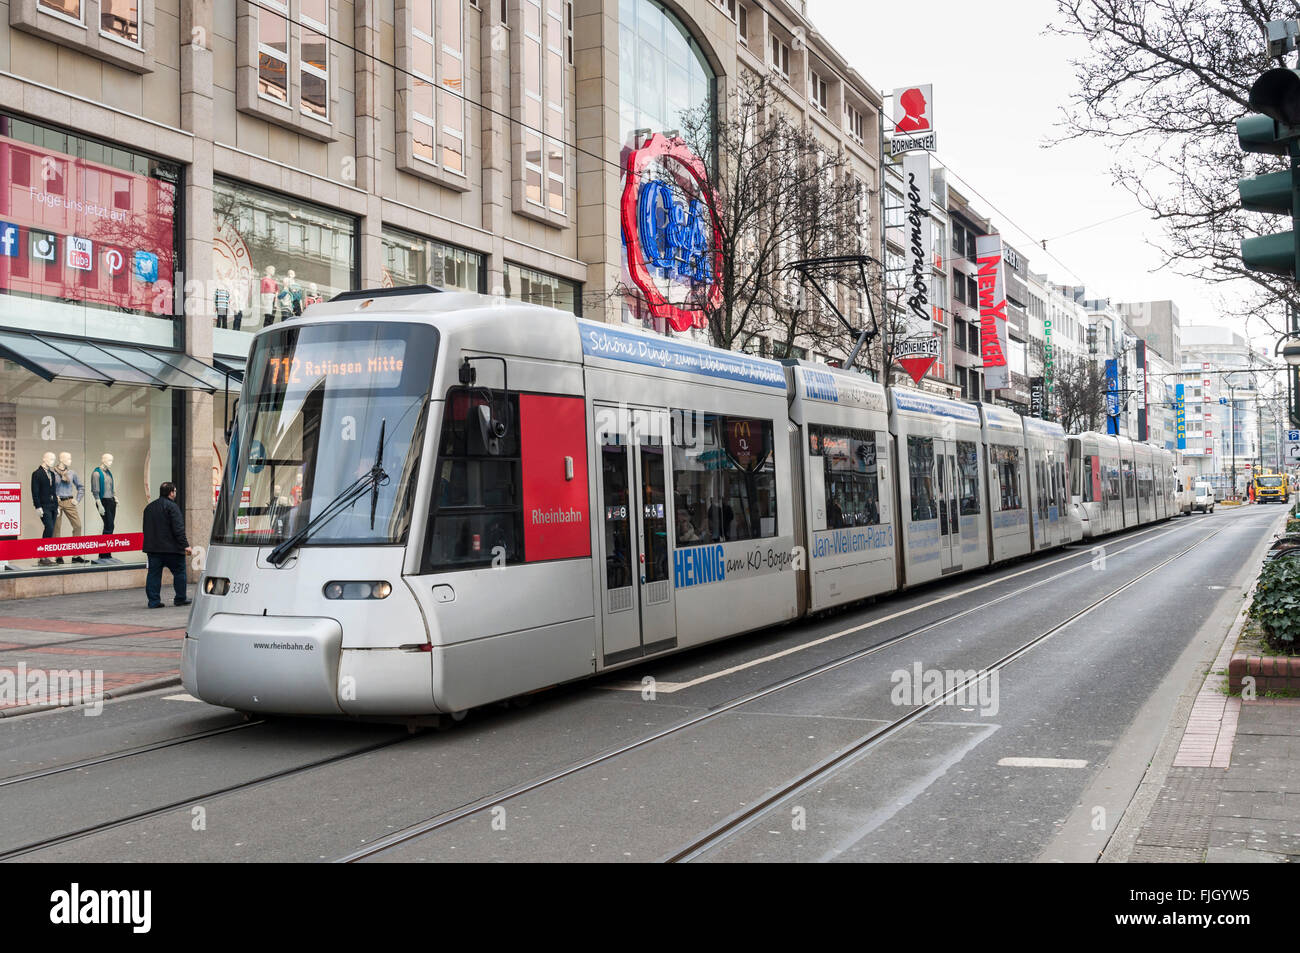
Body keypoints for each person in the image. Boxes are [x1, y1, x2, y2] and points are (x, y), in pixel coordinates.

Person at [142, 482, 192, 608]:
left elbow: (146, 528)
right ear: (171, 493)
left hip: (153, 549)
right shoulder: (172, 507)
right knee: (180, 572)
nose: (175, 493)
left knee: (153, 575)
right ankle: (180, 598)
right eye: (174, 491)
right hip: (172, 549)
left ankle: (153, 601)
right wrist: (186, 545)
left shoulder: (149, 508)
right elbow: (178, 529)